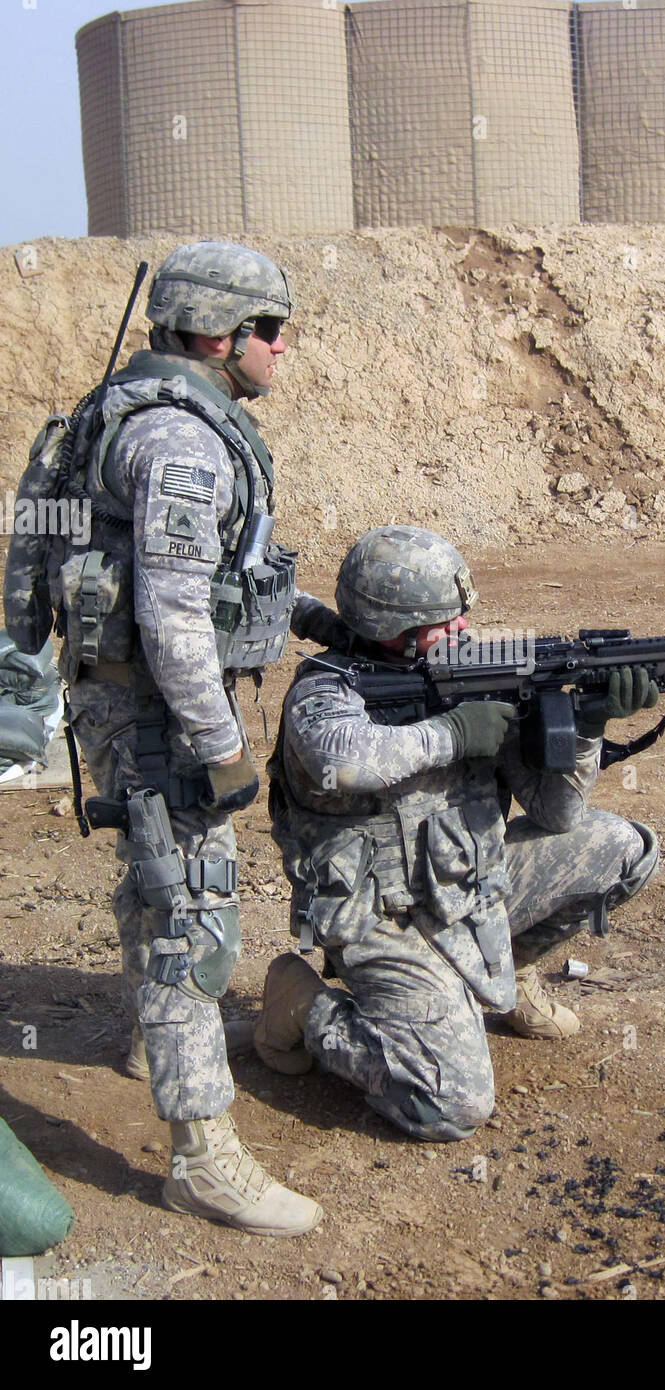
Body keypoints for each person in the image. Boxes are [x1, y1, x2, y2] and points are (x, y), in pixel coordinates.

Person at [5, 242, 338, 1235]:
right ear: (213, 333)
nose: (282, 348)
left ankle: (156, 1043)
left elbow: (210, 578)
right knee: (189, 915)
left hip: (122, 695)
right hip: (160, 706)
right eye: (269, 330)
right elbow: (173, 612)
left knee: (157, 880)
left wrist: (309, 615)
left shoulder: (120, 412)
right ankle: (203, 1154)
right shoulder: (184, 445)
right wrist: (218, 743)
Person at [254, 526, 659, 1142]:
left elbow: (559, 815)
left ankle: (504, 976)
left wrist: (586, 724)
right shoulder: (326, 691)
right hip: (382, 920)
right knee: (451, 1103)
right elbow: (342, 759)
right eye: (444, 621)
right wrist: (453, 735)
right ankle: (303, 1005)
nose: (463, 630)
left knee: (623, 848)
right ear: (392, 627)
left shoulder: (475, 675)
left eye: (461, 615)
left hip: (470, 895)